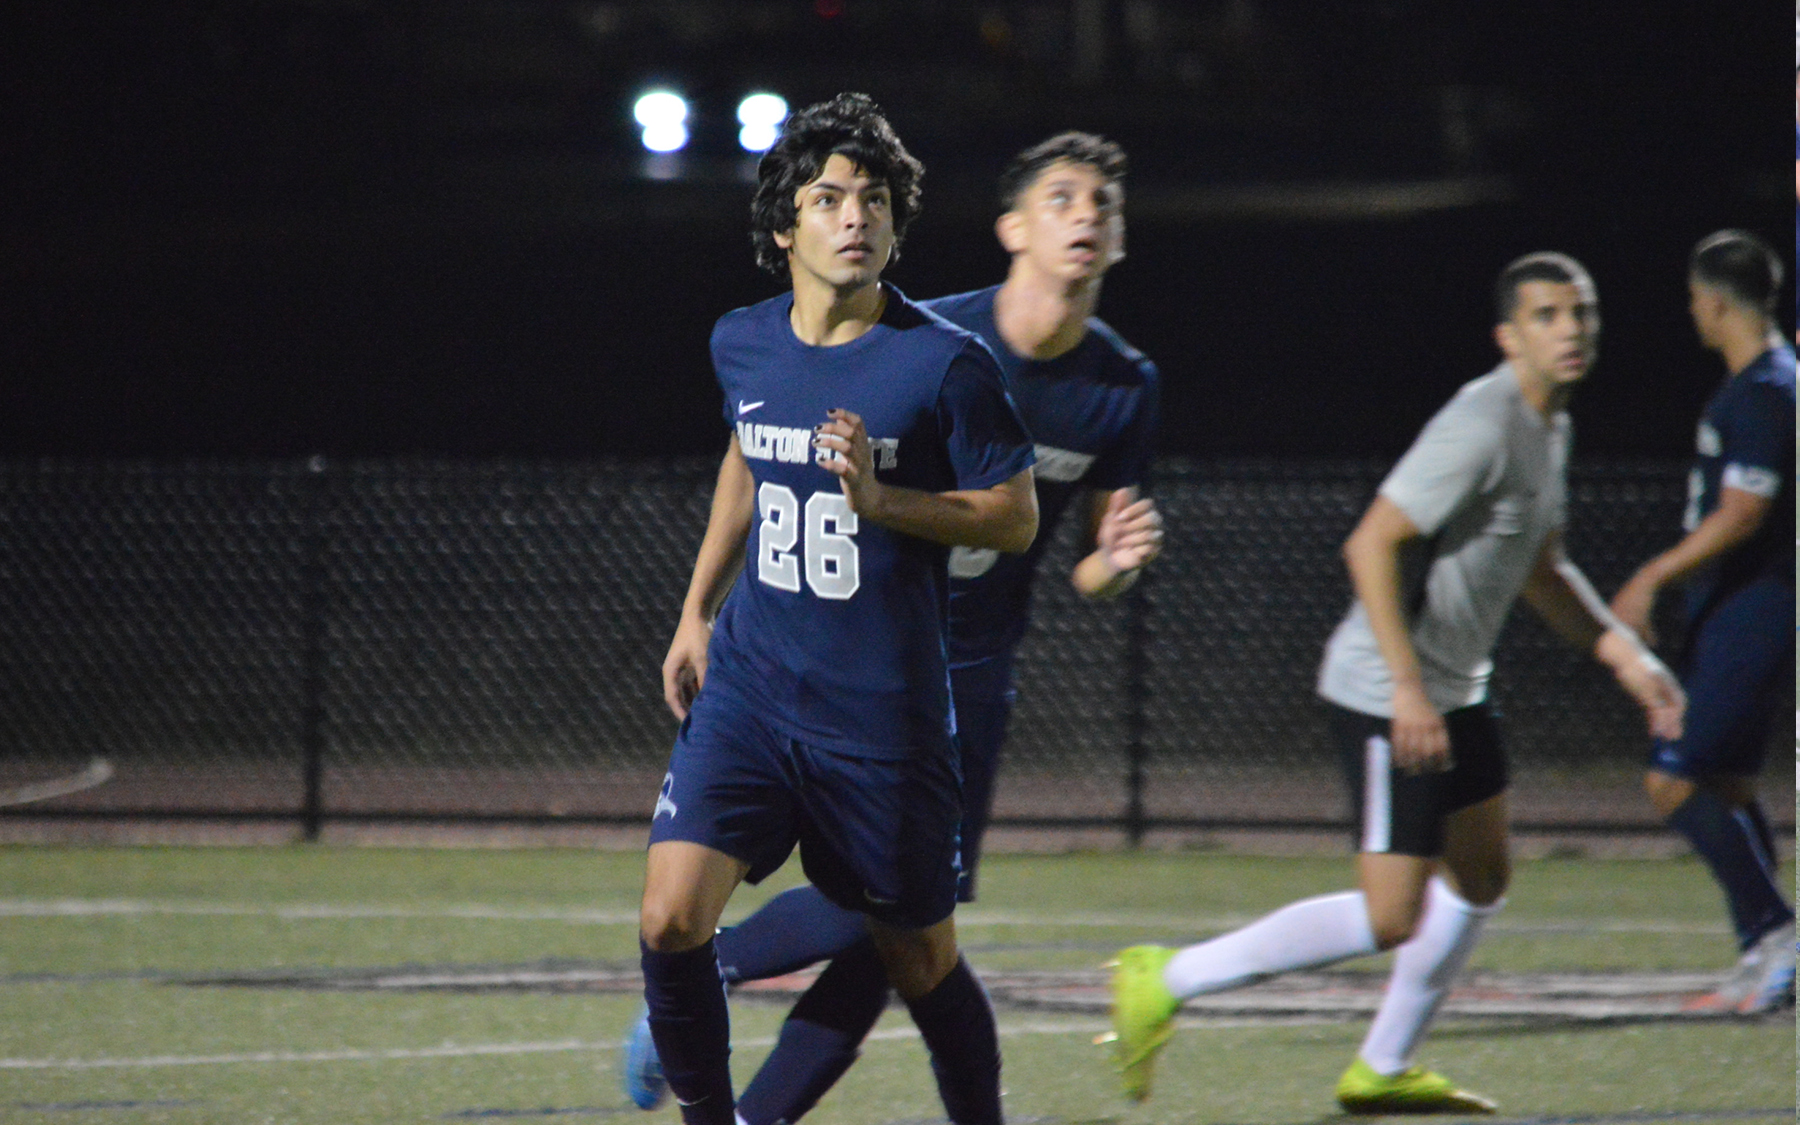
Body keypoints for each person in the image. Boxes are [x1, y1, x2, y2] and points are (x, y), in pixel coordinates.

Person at [624, 131, 1162, 1124]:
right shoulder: (741, 338)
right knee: (667, 917)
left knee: (911, 955)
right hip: (753, 681)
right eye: (830, 200)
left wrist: (882, 502)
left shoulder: (952, 364)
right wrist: (696, 612)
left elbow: (1017, 517)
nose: (855, 217)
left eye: (873, 202)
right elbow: (750, 448)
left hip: (896, 703)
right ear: (786, 226)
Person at [1107, 252, 1686, 1115]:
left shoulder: (1550, 426)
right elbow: (1370, 542)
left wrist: (1622, 654)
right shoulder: (1482, 420)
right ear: (1508, 335)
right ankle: (1165, 977)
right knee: (1391, 915)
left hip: (1456, 689)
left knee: (1484, 875)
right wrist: (1410, 691)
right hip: (1387, 691)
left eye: (1581, 313)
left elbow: (1543, 567)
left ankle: (1382, 1065)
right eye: (1547, 315)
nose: (1570, 329)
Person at [1609, 229, 1795, 1014]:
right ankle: (1763, 954)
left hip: (1754, 608)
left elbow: (1744, 512)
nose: (1693, 312)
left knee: (1672, 777)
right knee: (1723, 781)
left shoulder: (1765, 388)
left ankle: (1777, 932)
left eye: (1694, 299)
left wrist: (1653, 574)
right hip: (1741, 609)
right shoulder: (1769, 381)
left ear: (1716, 302)